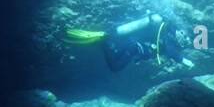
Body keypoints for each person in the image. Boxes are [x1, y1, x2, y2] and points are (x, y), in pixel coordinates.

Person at [65, 13, 194, 72]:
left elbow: (167, 50)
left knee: (114, 64)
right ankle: (104, 43)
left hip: (133, 45)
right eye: (185, 38)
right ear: (181, 33)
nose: (184, 41)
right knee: (115, 68)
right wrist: (184, 61)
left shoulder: (168, 31)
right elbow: (171, 51)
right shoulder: (170, 37)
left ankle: (105, 42)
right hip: (134, 47)